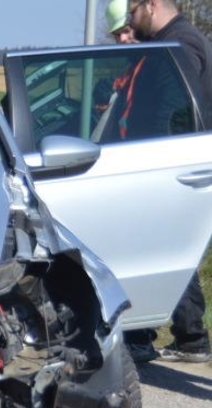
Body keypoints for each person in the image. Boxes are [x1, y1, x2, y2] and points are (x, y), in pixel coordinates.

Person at [124, 0, 212, 363]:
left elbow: (171, 110)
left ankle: (150, 337)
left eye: (132, 12)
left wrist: (151, 159)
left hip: (167, 165)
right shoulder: (172, 42)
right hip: (171, 162)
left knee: (159, 246)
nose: (130, 21)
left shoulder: (179, 45)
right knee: (165, 246)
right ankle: (182, 338)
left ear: (151, 5)